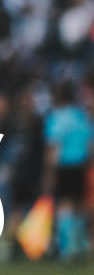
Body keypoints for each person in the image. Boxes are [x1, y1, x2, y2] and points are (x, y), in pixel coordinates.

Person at [44, 80, 92, 263]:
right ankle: (80, 246)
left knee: (64, 205)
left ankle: (67, 249)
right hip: (82, 164)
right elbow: (89, 144)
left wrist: (49, 172)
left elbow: (53, 146)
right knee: (80, 205)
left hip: (64, 164)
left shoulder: (57, 117)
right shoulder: (82, 116)